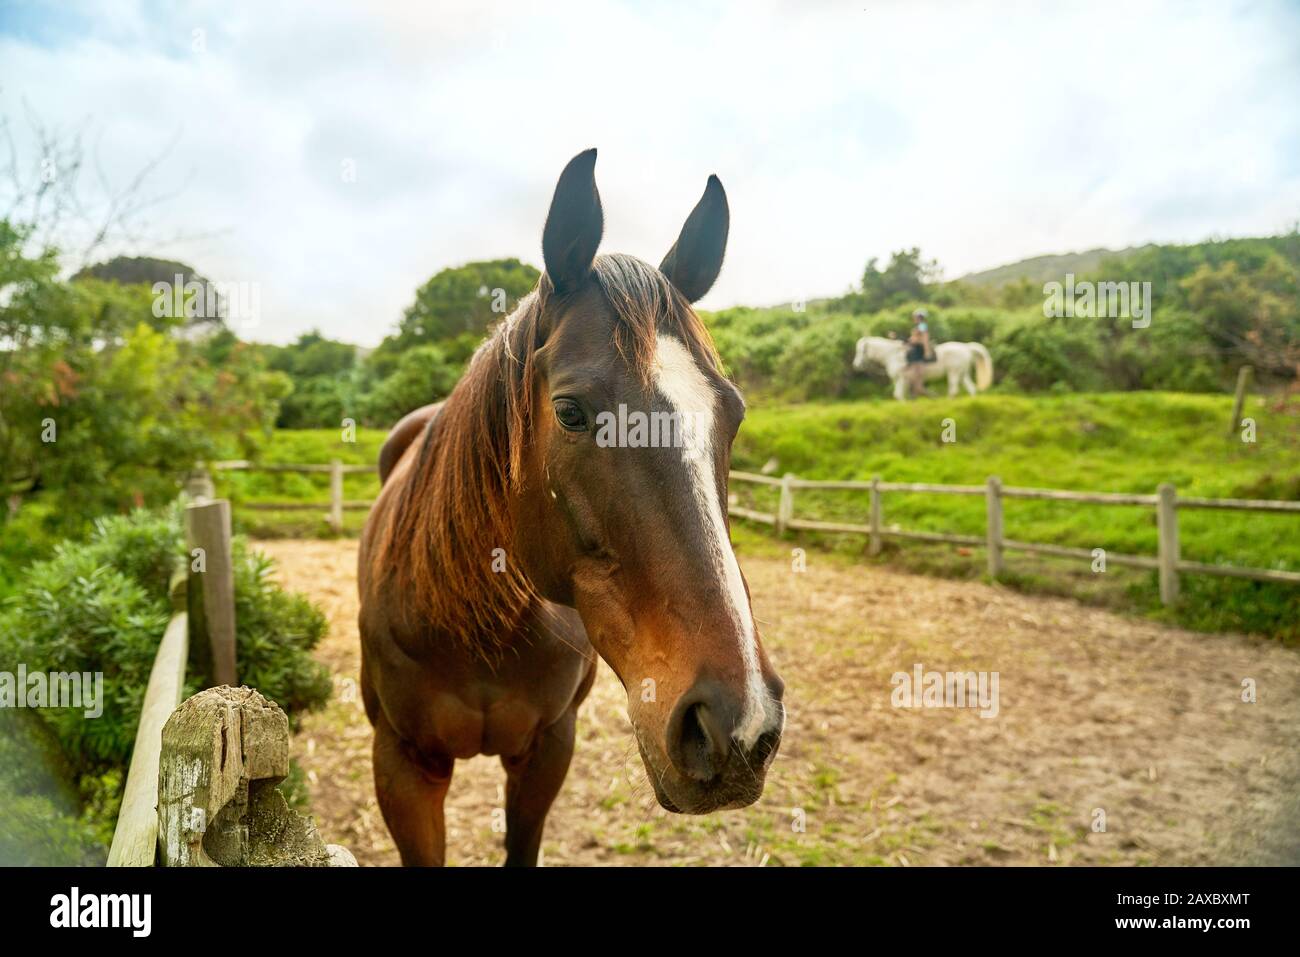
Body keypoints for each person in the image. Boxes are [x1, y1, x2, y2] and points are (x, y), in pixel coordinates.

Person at [905, 308, 932, 397]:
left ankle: (919, 392)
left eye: (915, 317)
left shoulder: (922, 326)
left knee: (917, 373)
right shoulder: (918, 326)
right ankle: (916, 392)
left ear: (919, 317)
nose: (913, 318)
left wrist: (927, 350)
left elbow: (925, 338)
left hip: (918, 349)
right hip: (915, 348)